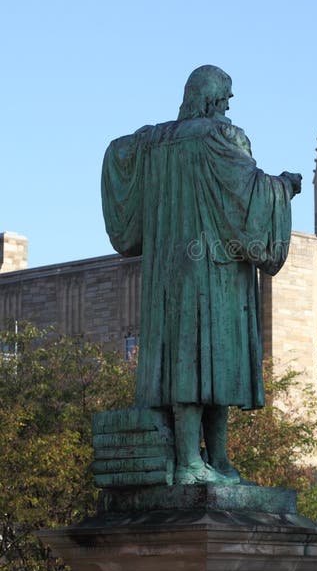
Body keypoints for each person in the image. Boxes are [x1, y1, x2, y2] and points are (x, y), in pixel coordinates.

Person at [101, 65, 301, 484]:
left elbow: (117, 155)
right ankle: (195, 461)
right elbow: (246, 195)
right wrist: (283, 186)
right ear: (211, 99)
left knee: (201, 363)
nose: (229, 105)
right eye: (226, 97)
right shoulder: (222, 138)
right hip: (214, 270)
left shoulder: (153, 141)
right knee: (204, 362)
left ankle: (218, 461)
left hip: (166, 274)